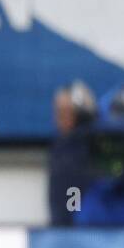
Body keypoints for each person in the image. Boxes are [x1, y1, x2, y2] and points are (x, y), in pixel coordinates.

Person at [47, 81, 99, 226]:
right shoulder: (61, 147)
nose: (58, 119)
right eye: (58, 112)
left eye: (65, 113)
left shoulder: (85, 150)